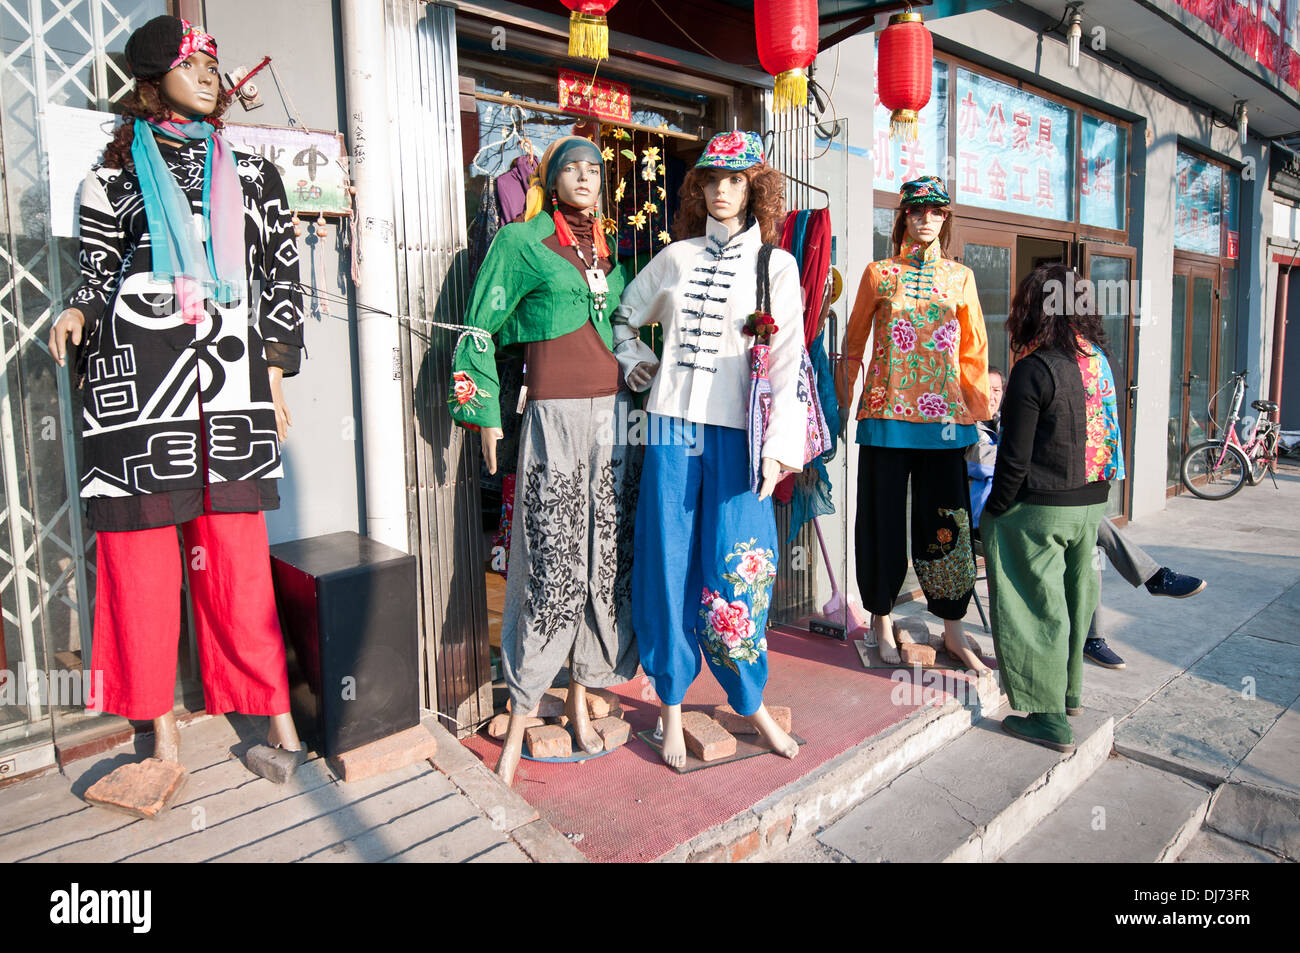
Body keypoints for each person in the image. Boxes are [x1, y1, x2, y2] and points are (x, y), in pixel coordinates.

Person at [47, 15, 306, 787]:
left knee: (235, 559)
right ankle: (160, 730)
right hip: (137, 383)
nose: (210, 76)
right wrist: (77, 312)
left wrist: (275, 376)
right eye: (191, 65)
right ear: (152, 80)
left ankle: (273, 713)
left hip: (227, 378)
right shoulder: (114, 174)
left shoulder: (255, 175)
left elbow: (280, 280)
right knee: (141, 564)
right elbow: (97, 272)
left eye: (213, 64)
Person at [449, 136, 640, 786]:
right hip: (555, 420)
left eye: (595, 169)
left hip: (615, 424)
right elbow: (480, 326)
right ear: (551, 178)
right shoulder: (522, 242)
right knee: (550, 560)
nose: (585, 178)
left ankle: (585, 698)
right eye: (573, 168)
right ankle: (524, 708)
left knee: (604, 561)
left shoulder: (610, 255)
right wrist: (486, 417)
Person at [612, 131, 803, 768]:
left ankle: (750, 702)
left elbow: (785, 363)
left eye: (735, 179)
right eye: (711, 180)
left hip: (739, 438)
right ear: (699, 189)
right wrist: (637, 361)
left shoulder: (774, 266)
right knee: (666, 563)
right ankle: (668, 705)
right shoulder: (676, 257)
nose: (721, 190)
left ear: (754, 187)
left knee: (739, 564)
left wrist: (778, 447)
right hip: (669, 430)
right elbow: (622, 314)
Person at [836, 175, 991, 672]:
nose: (926, 218)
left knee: (946, 526)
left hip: (945, 420)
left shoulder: (960, 278)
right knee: (880, 522)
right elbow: (854, 341)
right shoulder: (878, 274)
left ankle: (952, 627)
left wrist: (979, 410)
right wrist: (843, 405)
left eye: (937, 210)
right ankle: (880, 619)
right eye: (917, 210)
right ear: (902, 215)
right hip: (884, 416)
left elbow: (974, 348)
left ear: (946, 219)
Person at [967, 367, 1206, 671]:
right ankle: (1153, 578)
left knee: (1087, 540)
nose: (992, 396)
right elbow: (1002, 466)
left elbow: (1027, 459)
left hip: (1027, 516)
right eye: (985, 388)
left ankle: (1093, 637)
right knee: (1085, 522)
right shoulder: (967, 431)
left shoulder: (1008, 424)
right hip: (991, 523)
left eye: (998, 390)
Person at [982, 264, 1123, 754]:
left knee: (1034, 608)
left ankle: (1047, 721)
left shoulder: (1034, 368)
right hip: (1091, 502)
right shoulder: (1098, 360)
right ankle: (1069, 695)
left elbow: (1014, 458)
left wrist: (995, 511)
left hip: (1041, 506)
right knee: (1072, 601)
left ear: (1034, 307)